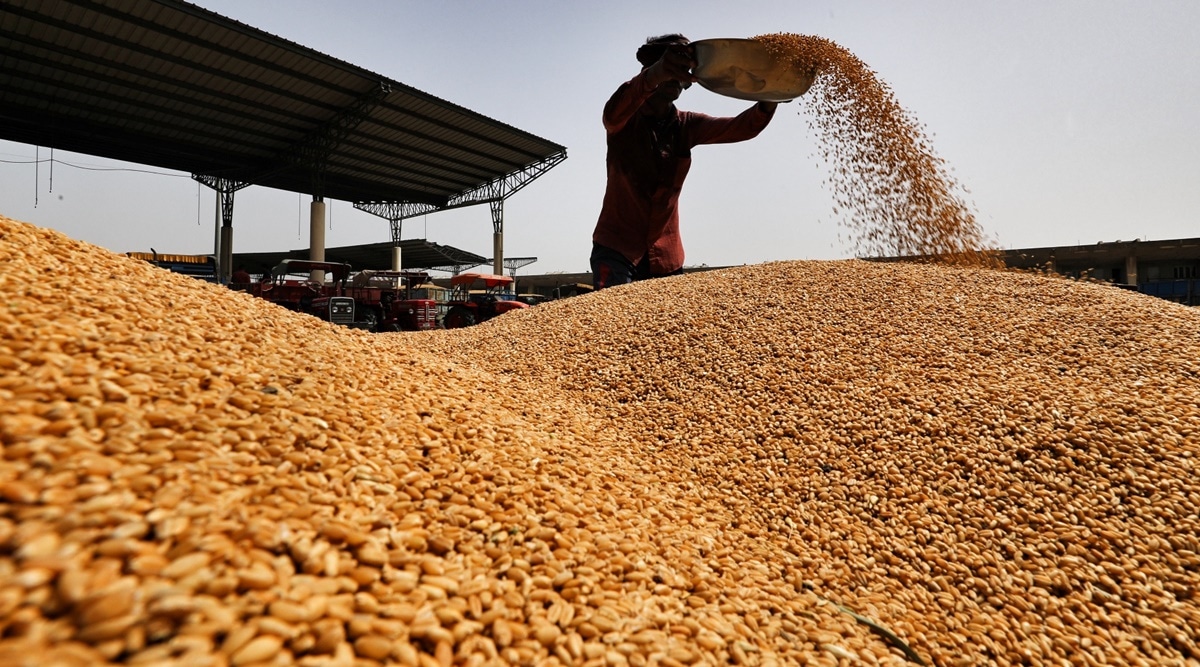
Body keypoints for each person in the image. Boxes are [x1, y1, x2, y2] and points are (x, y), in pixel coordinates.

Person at [589, 33, 777, 290]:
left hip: (666, 258)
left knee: (668, 327)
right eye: (671, 68)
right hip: (618, 249)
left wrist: (771, 95)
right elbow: (612, 114)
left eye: (683, 71)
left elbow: (741, 128)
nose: (677, 78)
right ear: (651, 70)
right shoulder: (626, 117)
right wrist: (656, 74)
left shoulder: (687, 125)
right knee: (612, 321)